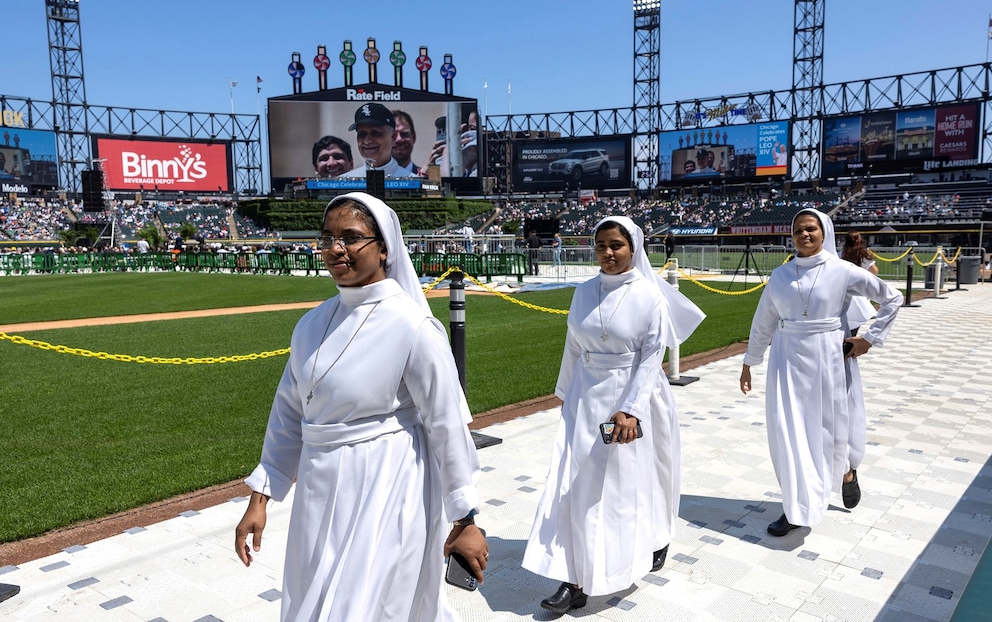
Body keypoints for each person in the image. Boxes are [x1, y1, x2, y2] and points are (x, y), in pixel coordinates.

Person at [235, 192, 488, 620]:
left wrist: (464, 518)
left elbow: (445, 424)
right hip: (318, 489)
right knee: (313, 599)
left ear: (384, 247)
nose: (336, 249)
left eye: (351, 238)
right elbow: (289, 412)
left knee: (370, 605)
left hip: (387, 487)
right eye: (328, 237)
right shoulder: (312, 322)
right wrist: (260, 498)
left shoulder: (412, 325)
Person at [522, 216, 705, 614]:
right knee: (575, 485)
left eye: (616, 245)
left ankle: (653, 537)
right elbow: (574, 344)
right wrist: (565, 395)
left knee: (632, 484)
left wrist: (631, 410)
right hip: (587, 397)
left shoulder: (648, 295)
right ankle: (576, 577)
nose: (608, 253)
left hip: (632, 399)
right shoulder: (584, 291)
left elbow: (651, 356)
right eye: (601, 245)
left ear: (633, 248)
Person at [738, 209, 902, 537]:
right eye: (798, 230)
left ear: (823, 232)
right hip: (786, 359)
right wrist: (749, 362)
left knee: (829, 430)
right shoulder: (781, 276)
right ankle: (797, 507)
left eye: (810, 228)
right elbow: (764, 321)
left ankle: (845, 472)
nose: (805, 235)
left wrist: (868, 339)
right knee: (789, 433)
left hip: (827, 357)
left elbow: (892, 298)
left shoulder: (842, 271)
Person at [840, 230, 880, 507]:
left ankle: (847, 469)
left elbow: (880, 286)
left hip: (848, 312)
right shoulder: (846, 258)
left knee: (843, 407)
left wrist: (868, 338)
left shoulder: (857, 259)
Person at [340, 102, 402, 178]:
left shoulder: (413, 182)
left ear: (393, 137)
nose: (367, 141)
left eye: (375, 133)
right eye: (362, 134)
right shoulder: (344, 183)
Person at [392, 109, 422, 176]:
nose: (399, 139)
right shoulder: (371, 179)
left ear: (413, 137)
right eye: (393, 135)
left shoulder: (428, 178)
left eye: (404, 134)